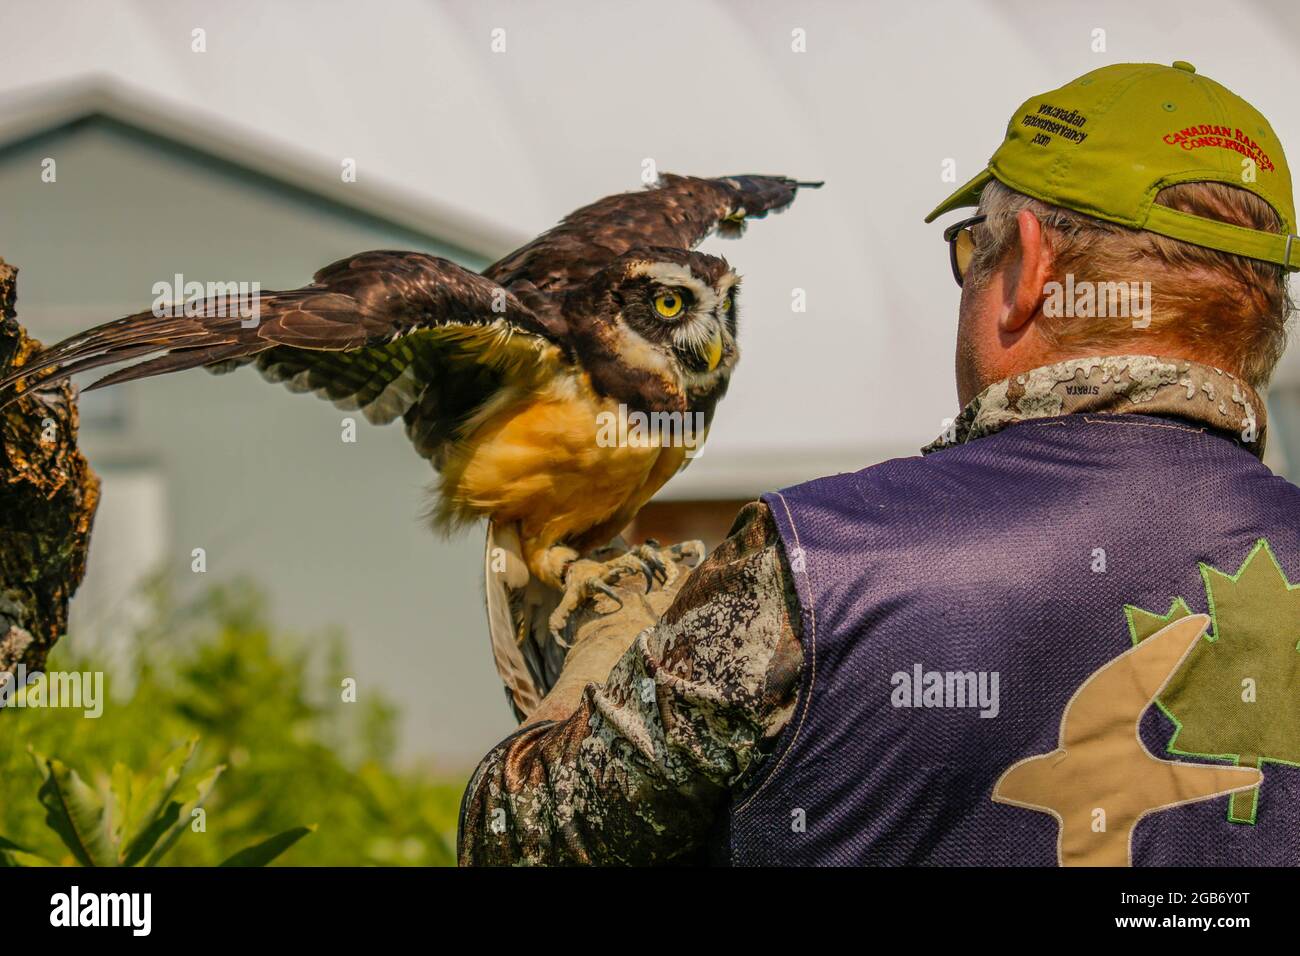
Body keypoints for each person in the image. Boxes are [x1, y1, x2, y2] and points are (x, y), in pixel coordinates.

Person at [458, 60, 1300, 866]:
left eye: (975, 248)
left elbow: (515, 840)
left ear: (1034, 265)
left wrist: (611, 654)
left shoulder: (820, 567)